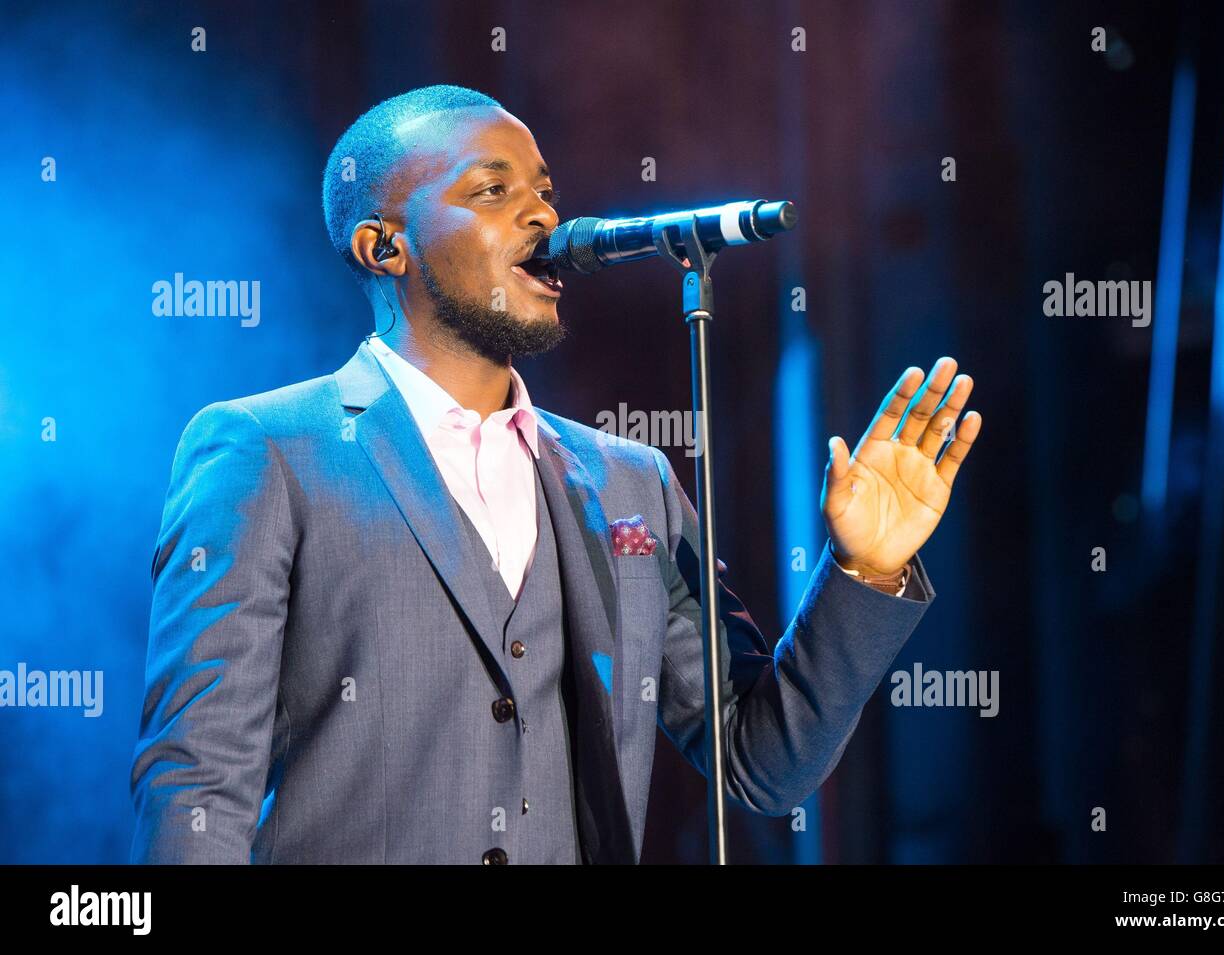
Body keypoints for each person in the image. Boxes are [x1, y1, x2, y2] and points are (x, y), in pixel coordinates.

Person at [129, 84, 982, 864]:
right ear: (384, 246)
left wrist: (865, 568)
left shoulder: (628, 480)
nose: (541, 215)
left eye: (545, 191)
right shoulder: (265, 449)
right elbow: (196, 783)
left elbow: (760, 761)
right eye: (492, 191)